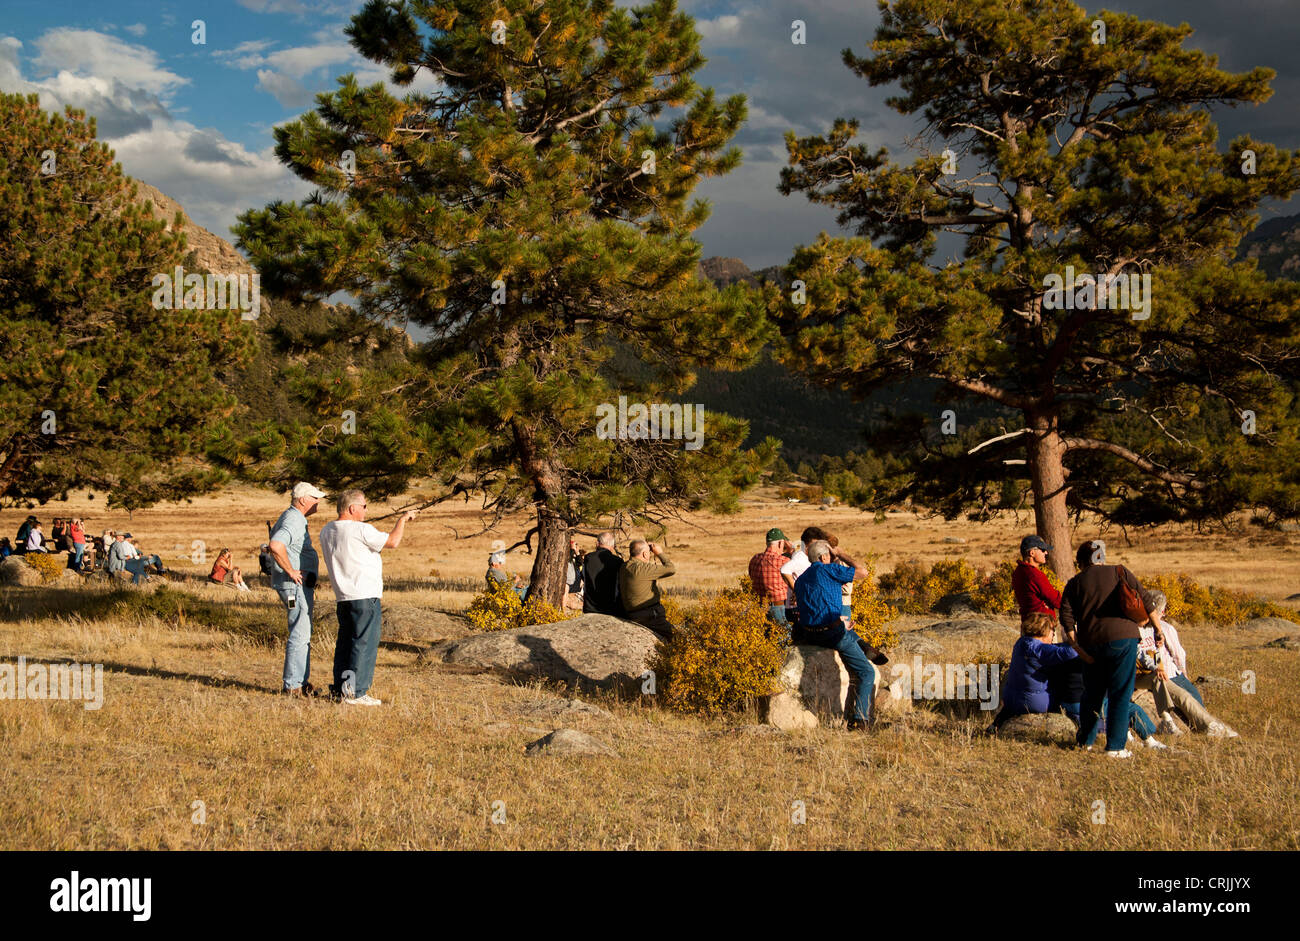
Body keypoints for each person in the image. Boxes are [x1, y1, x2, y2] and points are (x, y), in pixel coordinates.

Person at [1059, 539, 1159, 758]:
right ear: (1102, 557)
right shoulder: (1120, 572)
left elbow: (1066, 619)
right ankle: (1115, 747)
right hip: (1124, 639)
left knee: (1092, 695)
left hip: (1091, 644)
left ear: (1081, 562)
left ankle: (1085, 742)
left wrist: (1078, 648)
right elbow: (1147, 600)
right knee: (1120, 694)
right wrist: (1158, 630)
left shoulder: (1074, 583)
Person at [319, 489, 416, 706]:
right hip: (364, 594)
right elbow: (392, 542)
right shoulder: (360, 530)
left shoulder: (327, 530)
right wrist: (402, 520)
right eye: (364, 506)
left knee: (345, 643)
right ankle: (356, 692)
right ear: (352, 508)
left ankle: (340, 688)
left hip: (343, 596)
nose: (366, 510)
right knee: (364, 643)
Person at [792, 540, 880, 729]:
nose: (832, 559)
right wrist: (841, 554)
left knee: (845, 627)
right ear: (824, 557)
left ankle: (860, 643)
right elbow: (863, 573)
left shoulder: (800, 580)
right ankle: (862, 720)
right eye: (830, 556)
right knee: (866, 673)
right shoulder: (829, 570)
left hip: (811, 634)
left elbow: (812, 609)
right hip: (832, 635)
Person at [1135, 590, 1238, 738]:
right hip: (1140, 675)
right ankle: (1176, 722)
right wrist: (1157, 667)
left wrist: (1158, 666)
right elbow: (1139, 653)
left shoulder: (1152, 628)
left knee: (1185, 697)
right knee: (1186, 694)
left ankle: (1211, 727)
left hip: (1155, 674)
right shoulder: (1133, 628)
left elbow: (1155, 652)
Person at [268, 482, 326, 698]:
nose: (318, 502)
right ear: (303, 500)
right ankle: (293, 686)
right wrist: (291, 570)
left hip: (292, 587)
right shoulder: (294, 519)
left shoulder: (291, 516)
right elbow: (276, 545)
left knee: (301, 630)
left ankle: (300, 682)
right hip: (294, 587)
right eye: (315, 498)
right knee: (300, 633)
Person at [991, 613, 1080, 731]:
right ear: (1045, 631)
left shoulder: (1022, 642)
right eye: (1052, 630)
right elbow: (1071, 652)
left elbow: (1054, 648)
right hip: (1033, 702)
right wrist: (1081, 640)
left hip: (1010, 699)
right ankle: (1077, 722)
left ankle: (995, 725)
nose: (1054, 634)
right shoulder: (1039, 649)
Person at [618, 539, 676, 639]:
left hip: (632, 615)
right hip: (649, 617)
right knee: (679, 639)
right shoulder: (643, 569)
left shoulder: (624, 567)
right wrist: (659, 553)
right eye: (648, 552)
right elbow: (671, 569)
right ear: (645, 554)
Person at [780, 526, 831, 622]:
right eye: (816, 544)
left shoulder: (807, 557)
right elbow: (784, 569)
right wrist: (796, 590)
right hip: (797, 607)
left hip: (801, 606)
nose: (818, 547)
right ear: (808, 544)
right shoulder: (801, 557)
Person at [748, 528, 793, 626]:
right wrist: (792, 550)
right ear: (781, 543)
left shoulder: (755, 559)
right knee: (784, 636)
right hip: (778, 606)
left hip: (759, 607)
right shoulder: (783, 561)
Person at [582, 532, 624, 615]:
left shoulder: (588, 558)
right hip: (611, 607)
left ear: (597, 543)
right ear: (612, 546)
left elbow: (584, 577)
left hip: (590, 607)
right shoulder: (618, 561)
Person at [563, 538, 585, 611]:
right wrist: (572, 549)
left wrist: (577, 552)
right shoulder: (567, 556)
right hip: (568, 585)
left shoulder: (575, 557)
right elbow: (569, 558)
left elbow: (580, 563)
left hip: (575, 587)